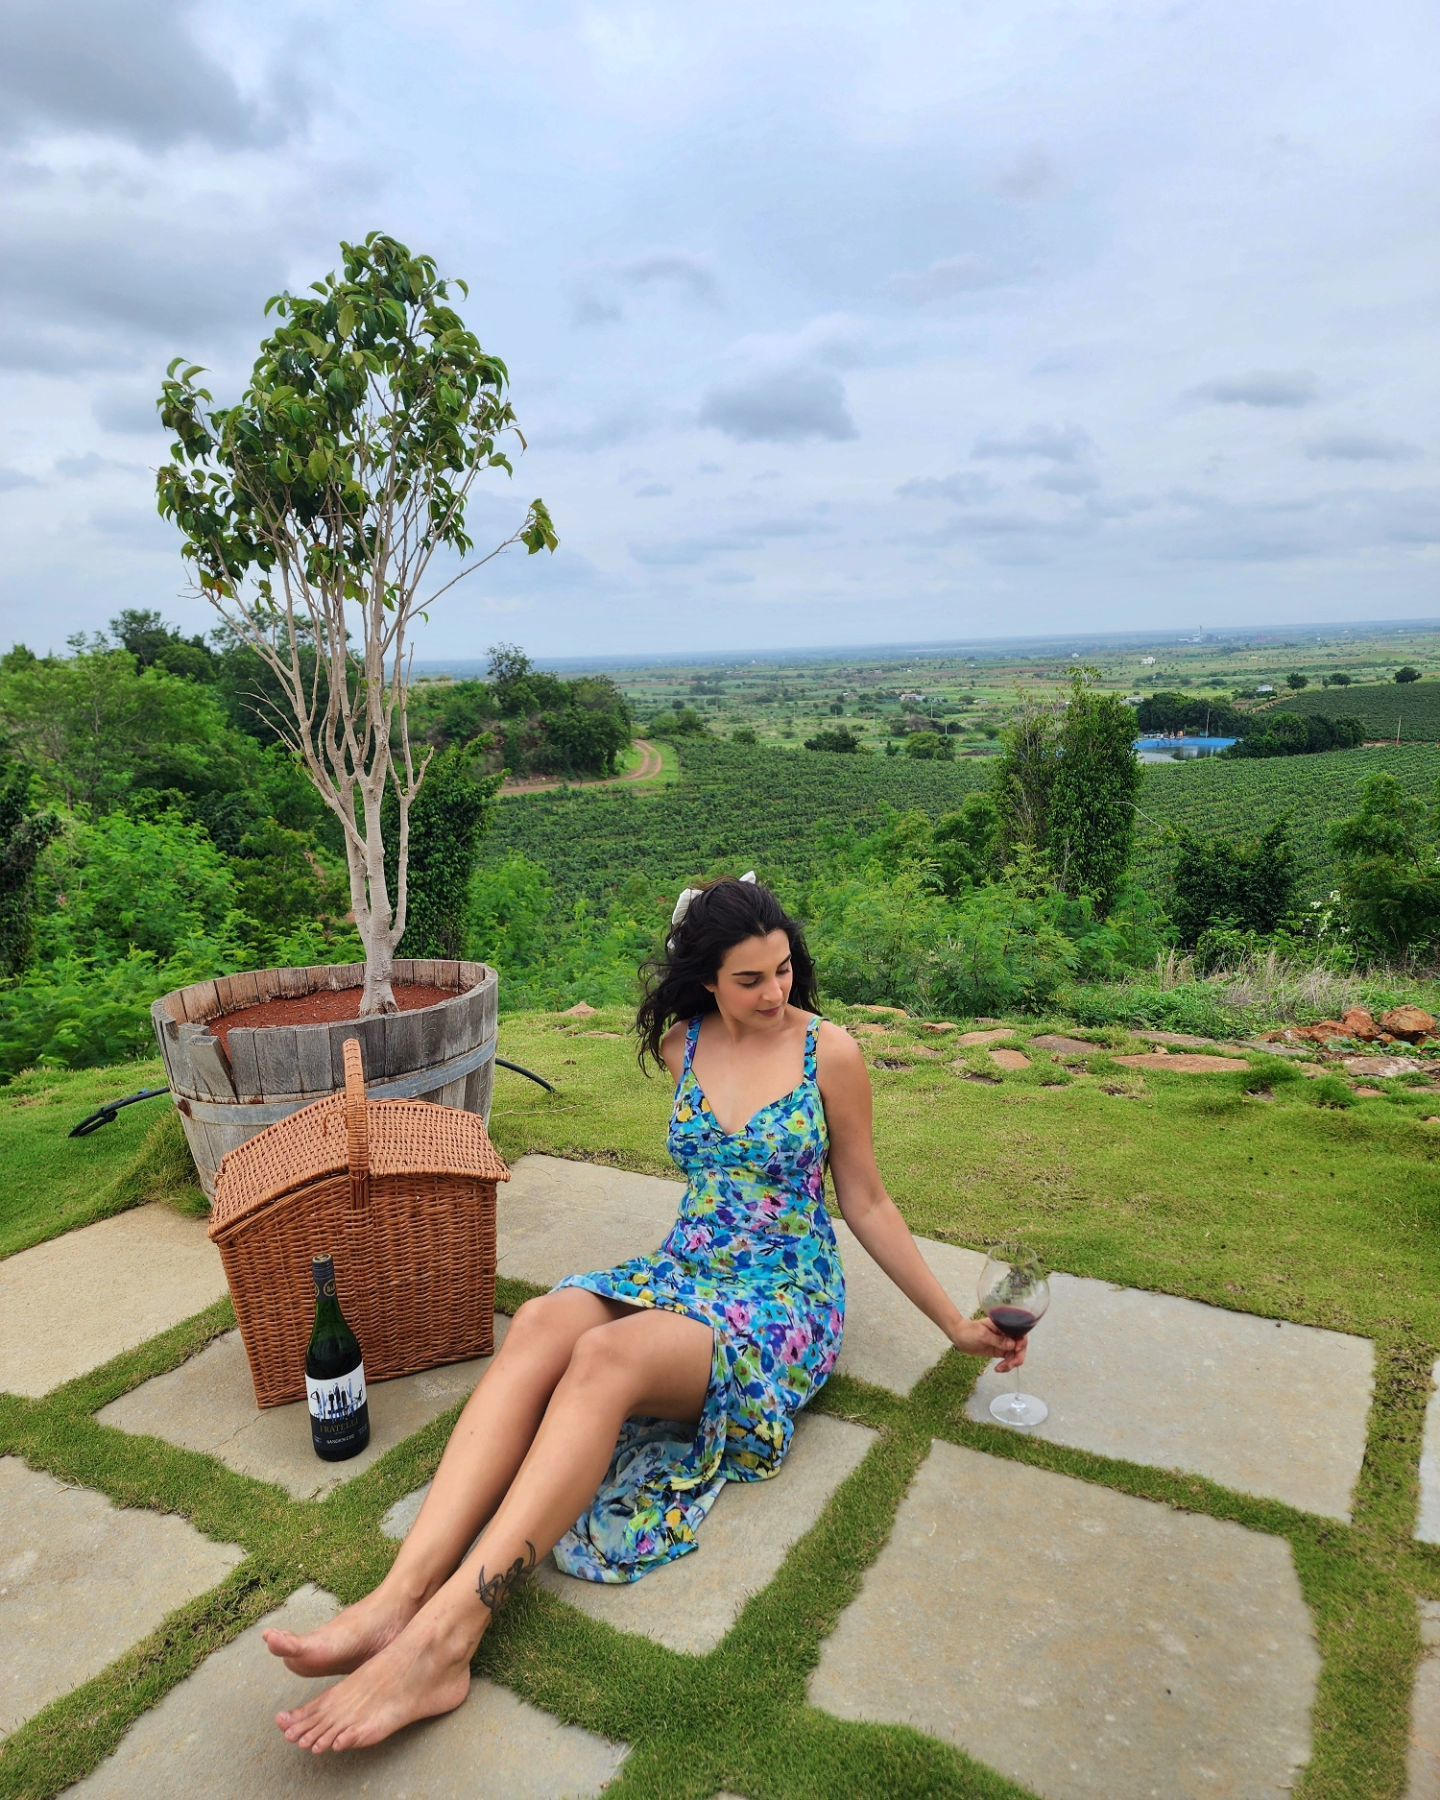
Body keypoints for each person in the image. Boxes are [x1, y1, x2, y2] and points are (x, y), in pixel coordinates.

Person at [265, 875, 1027, 1754]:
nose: (776, 993)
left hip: (782, 1298)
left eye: (784, 970)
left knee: (605, 1363)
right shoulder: (680, 1047)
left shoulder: (831, 1053)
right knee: (549, 1321)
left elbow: (867, 1201)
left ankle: (447, 1638)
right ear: (706, 978)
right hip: (688, 1267)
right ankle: (397, 1599)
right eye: (751, 979)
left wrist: (953, 1326)